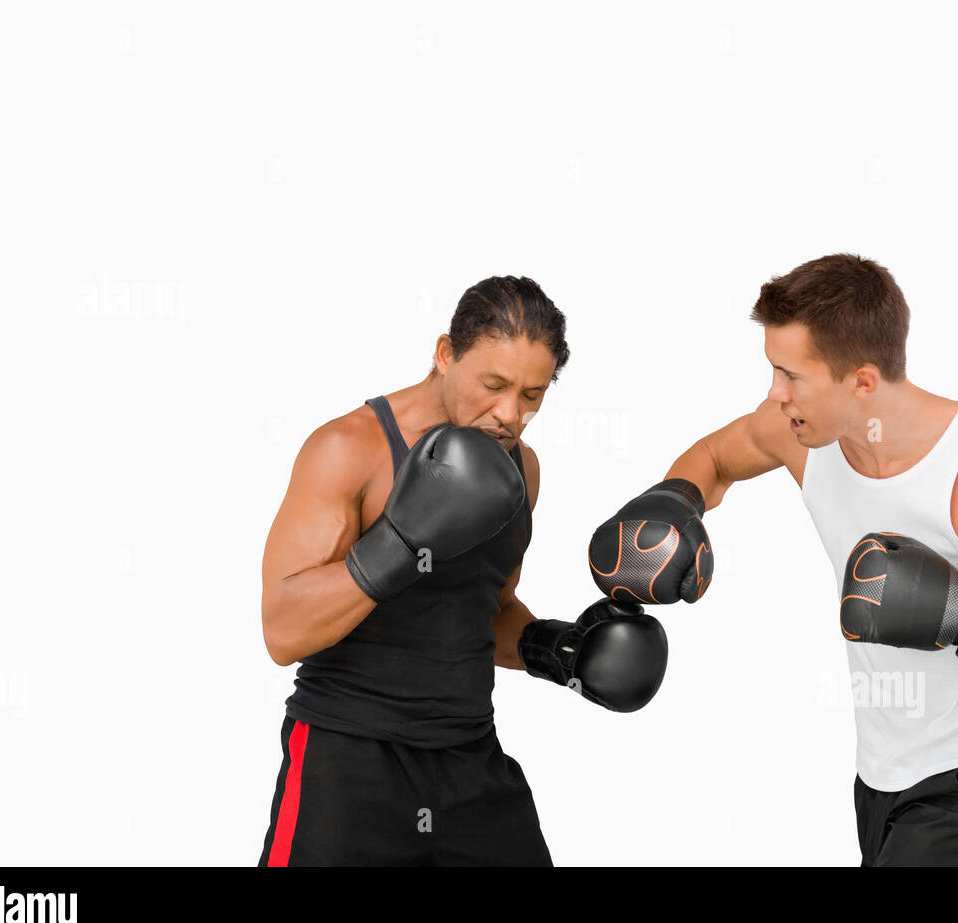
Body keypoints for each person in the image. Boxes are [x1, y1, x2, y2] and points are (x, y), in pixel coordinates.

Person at [589, 253, 958, 866]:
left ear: (863, 382)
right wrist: (674, 503)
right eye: (772, 370)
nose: (776, 394)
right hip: (879, 779)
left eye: (792, 376)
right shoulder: (799, 435)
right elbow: (716, 458)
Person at [258, 275, 668, 866]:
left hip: (468, 758)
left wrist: (558, 650)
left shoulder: (520, 469)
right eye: (493, 384)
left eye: (532, 395)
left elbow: (487, 609)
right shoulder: (349, 449)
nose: (508, 414)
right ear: (446, 353)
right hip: (346, 760)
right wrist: (397, 543)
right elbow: (282, 630)